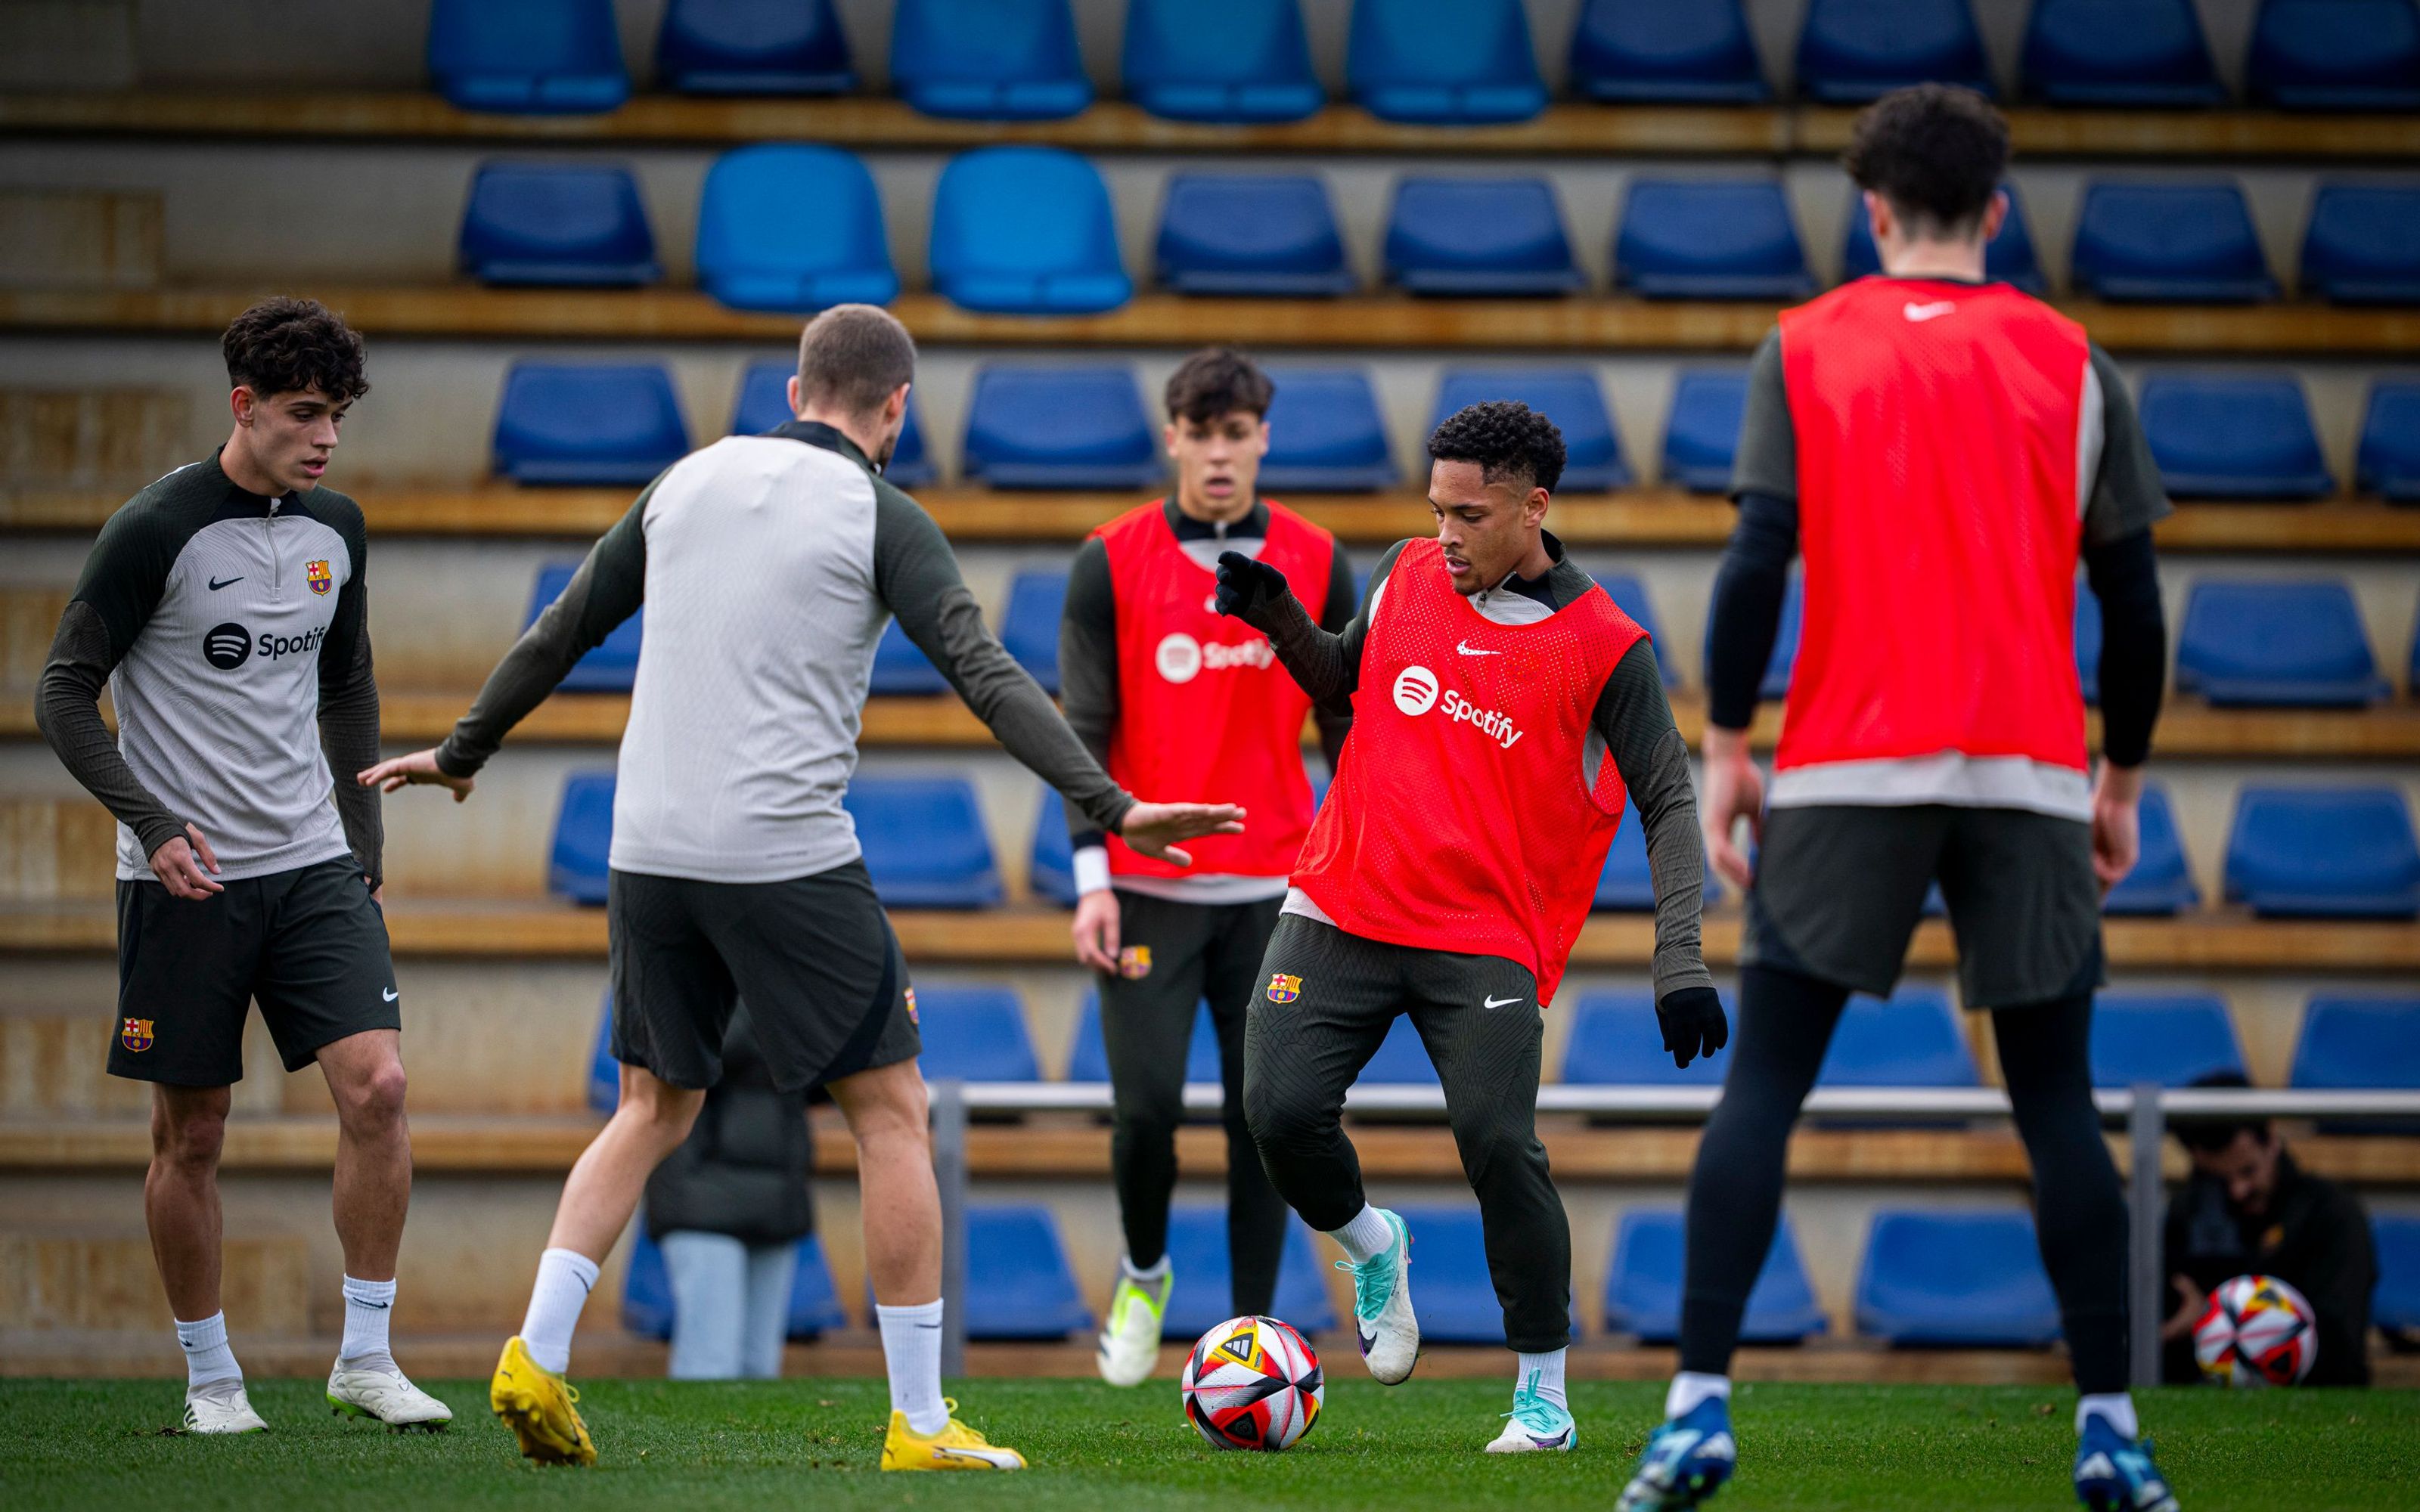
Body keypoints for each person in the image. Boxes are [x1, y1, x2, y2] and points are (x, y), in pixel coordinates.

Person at [361, 304, 1240, 1472]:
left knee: (650, 1110)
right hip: (782, 852)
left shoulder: (685, 480)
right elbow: (985, 674)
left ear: (792, 392)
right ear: (897, 411)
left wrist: (461, 753)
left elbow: (563, 628)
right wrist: (1118, 805)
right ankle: (922, 1423)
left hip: (647, 846)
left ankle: (535, 1351)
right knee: (891, 1114)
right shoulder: (883, 512)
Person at [1618, 85, 2177, 1512]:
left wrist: (1732, 749)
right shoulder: (2076, 360)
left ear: (1873, 213)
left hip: (1852, 765)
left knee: (1766, 1088)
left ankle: (1694, 1410)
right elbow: (2133, 598)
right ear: (1996, 212)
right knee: (2057, 1101)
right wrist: (2118, 781)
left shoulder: (1801, 349)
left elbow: (1756, 566)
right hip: (2035, 772)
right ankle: (2112, 1428)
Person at [1215, 400, 1722, 1454]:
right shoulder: (1409, 570)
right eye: (1436, 509)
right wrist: (1279, 621)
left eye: (1469, 515)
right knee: (1275, 1107)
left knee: (1498, 1142)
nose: (1444, 534)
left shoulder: (1604, 645)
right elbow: (1344, 679)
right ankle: (1371, 1244)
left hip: (1485, 933)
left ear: (1534, 509)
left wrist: (1679, 957)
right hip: (1343, 899)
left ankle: (1543, 1393)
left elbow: (1671, 802)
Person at [36, 297, 448, 1434]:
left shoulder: (339, 530)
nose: (325, 439)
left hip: (313, 863)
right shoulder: (154, 530)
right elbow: (63, 694)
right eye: (305, 414)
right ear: (244, 407)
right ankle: (213, 1378)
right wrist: (154, 823)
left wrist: (363, 836)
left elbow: (348, 681)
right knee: (196, 1131)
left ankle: (366, 1358)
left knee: (382, 1088)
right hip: (187, 878)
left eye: (338, 418)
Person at [1058, 349, 1357, 1386]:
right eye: (1202, 432)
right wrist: (1092, 875)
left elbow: (1346, 726)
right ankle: (1144, 1273)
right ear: (1173, 436)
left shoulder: (1317, 559)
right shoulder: (1111, 557)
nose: (1221, 453)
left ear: (1262, 439)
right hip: (1147, 891)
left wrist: (1354, 867)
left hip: (1279, 897)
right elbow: (1083, 730)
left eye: (1239, 434)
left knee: (1262, 1122)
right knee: (1145, 1110)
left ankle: (1247, 1343)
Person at [2162, 1073, 2376, 1387]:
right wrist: (2175, 1332)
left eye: (2248, 1171)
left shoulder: (2331, 1214)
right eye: (2221, 1180)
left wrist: (2222, 1324)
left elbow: (2342, 1351)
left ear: (2272, 1139)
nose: (2238, 1190)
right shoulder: (2187, 1215)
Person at [645, 1005, 817, 1381]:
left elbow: (827, 1073)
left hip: (776, 1195)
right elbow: (703, 1044)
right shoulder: (698, 958)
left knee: (759, 1370)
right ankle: (694, 1445)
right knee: (710, 1364)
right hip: (700, 1193)